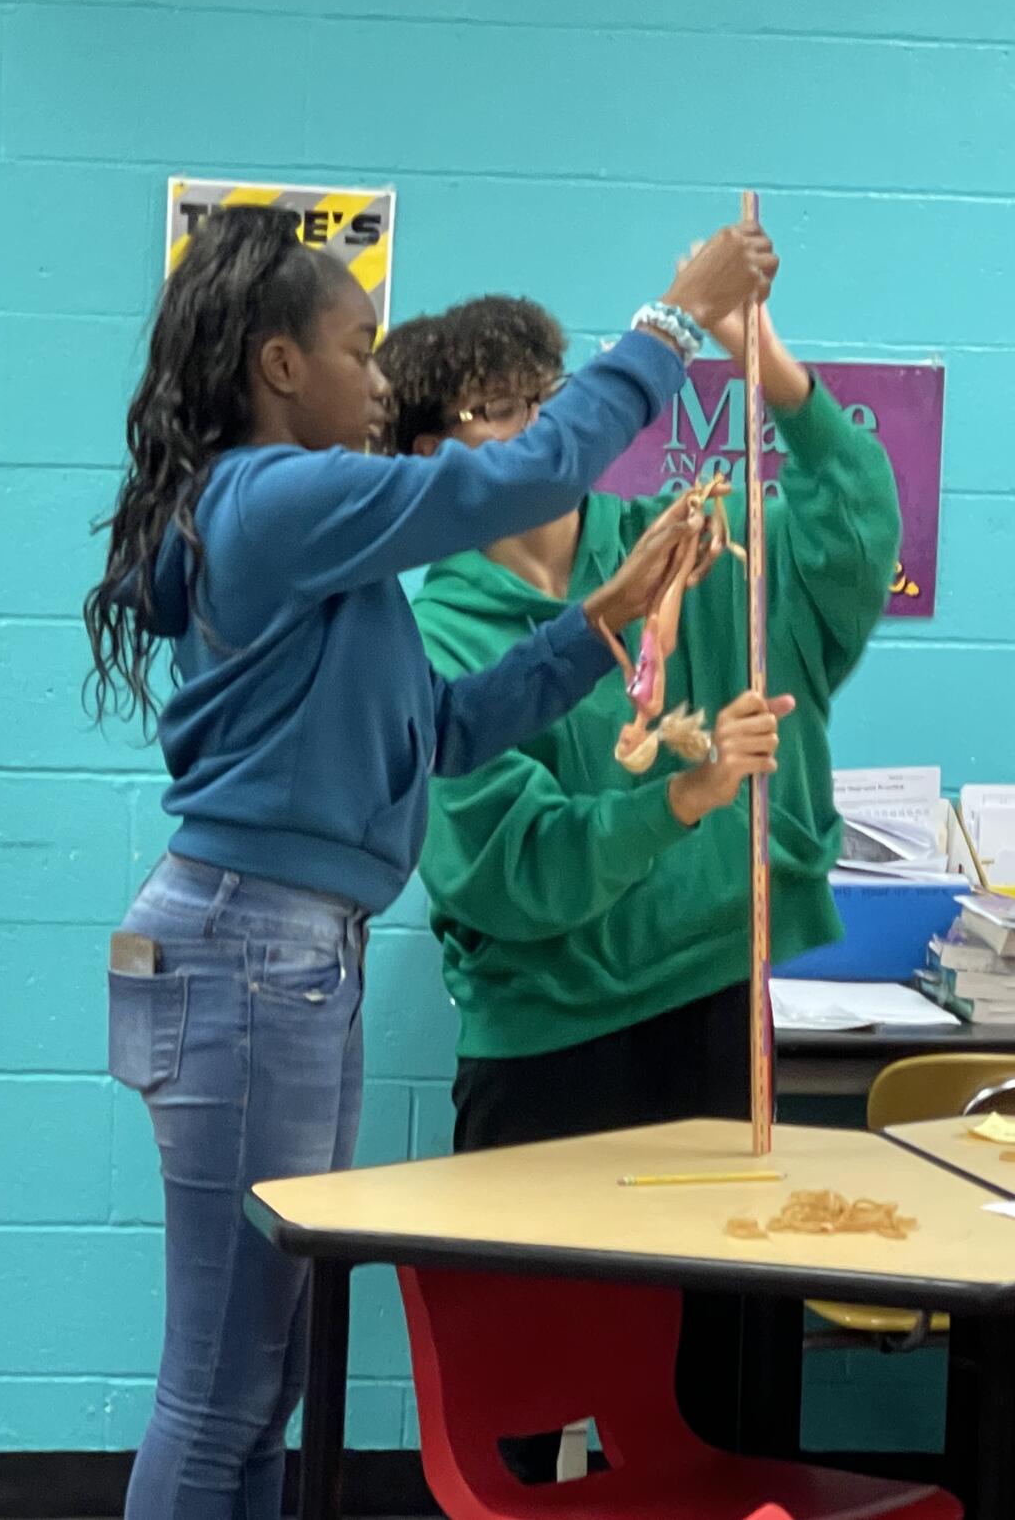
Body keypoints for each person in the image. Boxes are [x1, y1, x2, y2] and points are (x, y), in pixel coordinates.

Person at [83, 204, 777, 1520]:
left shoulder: (312, 550)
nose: (377, 380)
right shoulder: (270, 496)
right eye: (357, 349)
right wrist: (674, 321)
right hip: (249, 947)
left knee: (261, 1382)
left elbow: (444, 727)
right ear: (279, 365)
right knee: (222, 1389)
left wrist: (602, 620)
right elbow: (508, 480)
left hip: (284, 951)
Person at [383, 287, 901, 1482]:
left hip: (710, 1006)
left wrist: (769, 367)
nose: (539, 427)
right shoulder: (432, 638)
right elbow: (510, 870)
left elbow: (848, 537)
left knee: (717, 1391)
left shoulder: (691, 545)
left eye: (547, 398)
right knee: (519, 1401)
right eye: (493, 410)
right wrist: (679, 799)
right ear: (426, 459)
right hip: (546, 1046)